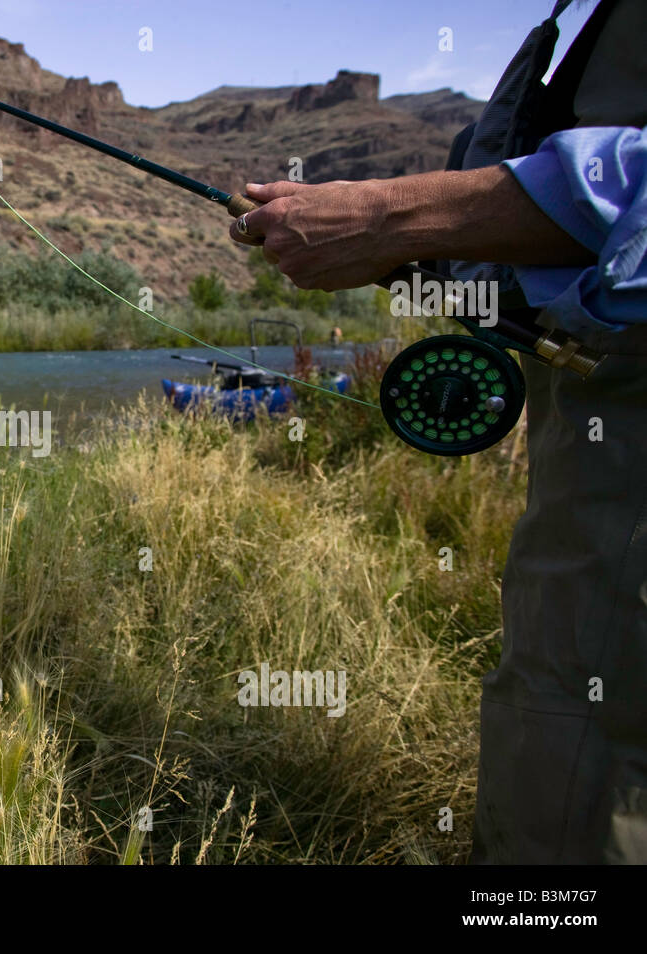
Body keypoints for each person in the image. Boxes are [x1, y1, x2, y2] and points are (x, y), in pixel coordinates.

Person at [229, 0, 646, 863]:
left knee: (602, 759)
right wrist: (425, 243)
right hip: (591, 437)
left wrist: (395, 216)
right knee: (558, 710)